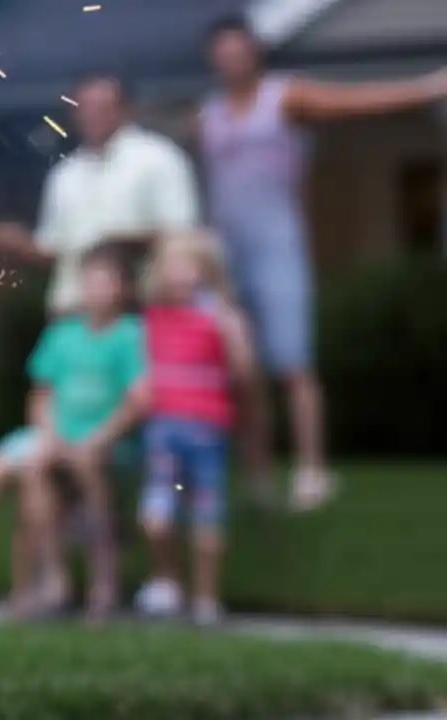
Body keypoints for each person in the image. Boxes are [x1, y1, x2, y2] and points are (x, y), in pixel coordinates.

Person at [200, 17, 447, 510]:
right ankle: (258, 475)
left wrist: (430, 87)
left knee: (293, 363)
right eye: (223, 52)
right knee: (243, 369)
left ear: (255, 54)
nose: (232, 59)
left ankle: (313, 471)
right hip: (225, 254)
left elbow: (354, 104)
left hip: (278, 244)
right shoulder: (210, 114)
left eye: (239, 50)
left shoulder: (285, 97)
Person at [0, 247, 146, 624]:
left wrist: (98, 439)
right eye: (90, 280)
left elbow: (138, 400)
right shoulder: (63, 334)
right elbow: (41, 395)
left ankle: (78, 582)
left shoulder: (131, 336)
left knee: (46, 468)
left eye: (105, 281)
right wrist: (50, 433)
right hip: (52, 434)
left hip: (103, 441)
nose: (95, 289)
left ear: (125, 289)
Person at [0, 73, 200, 317]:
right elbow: (55, 249)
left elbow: (181, 235)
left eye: (102, 107)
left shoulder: (158, 159)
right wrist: (21, 244)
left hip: (139, 311)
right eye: (85, 108)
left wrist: (118, 244)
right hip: (74, 310)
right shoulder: (65, 174)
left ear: (125, 109)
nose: (92, 115)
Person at [134, 231, 257, 626]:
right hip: (162, 433)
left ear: (208, 273)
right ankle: (167, 582)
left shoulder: (219, 317)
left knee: (206, 515)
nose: (181, 275)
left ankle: (206, 599)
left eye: (190, 266)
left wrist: (230, 330)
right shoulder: (154, 317)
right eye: (173, 265)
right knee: (157, 516)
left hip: (206, 431)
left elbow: (243, 374)